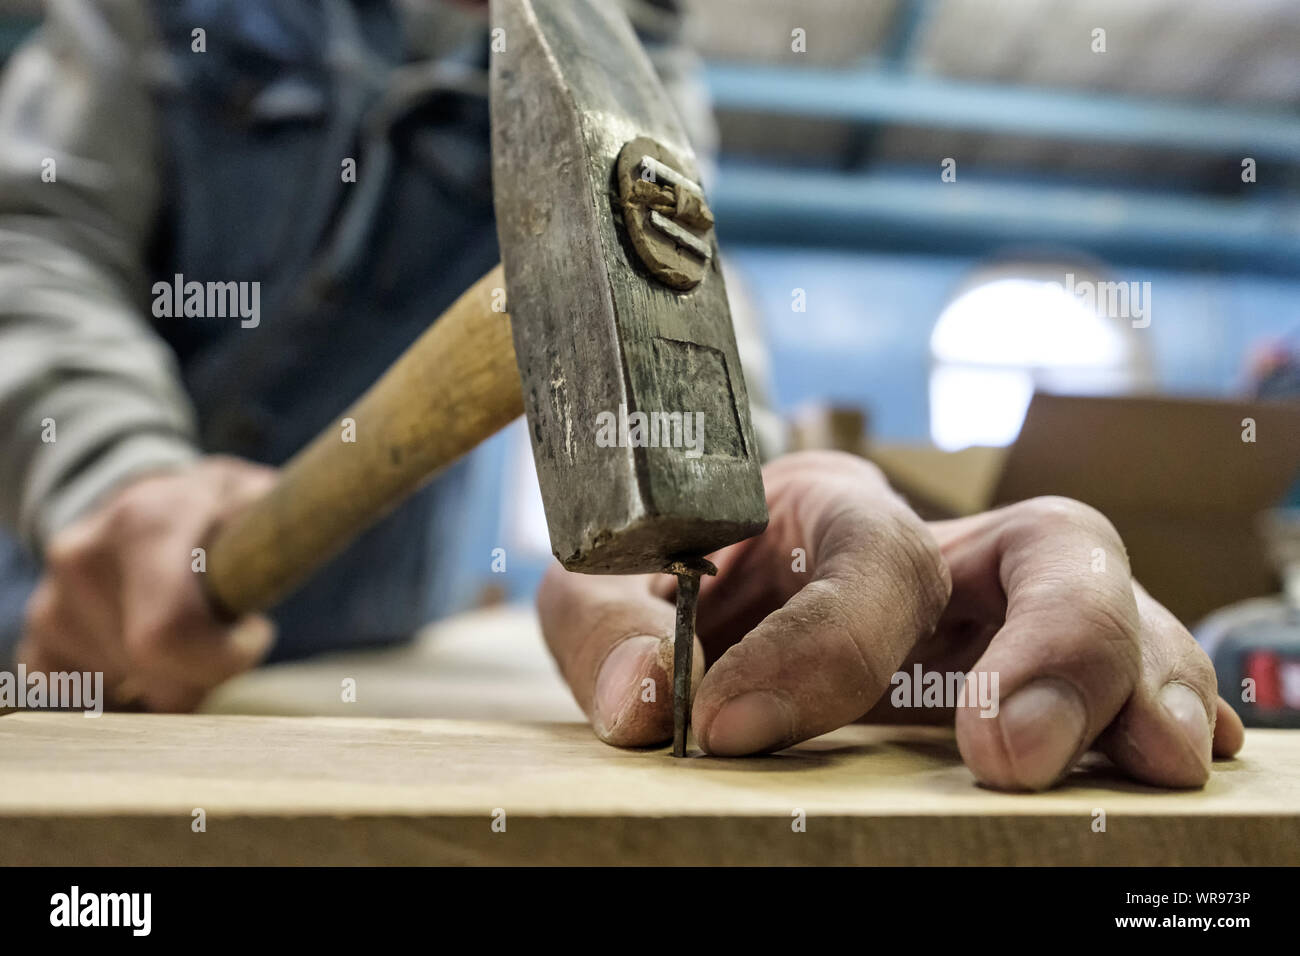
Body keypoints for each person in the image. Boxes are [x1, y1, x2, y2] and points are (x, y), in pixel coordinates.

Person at [0, 0, 1243, 790]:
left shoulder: (623, 29)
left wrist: (759, 499)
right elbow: (30, 235)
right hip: (52, 625)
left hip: (376, 655)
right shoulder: (158, 20)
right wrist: (119, 478)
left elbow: (667, 259)